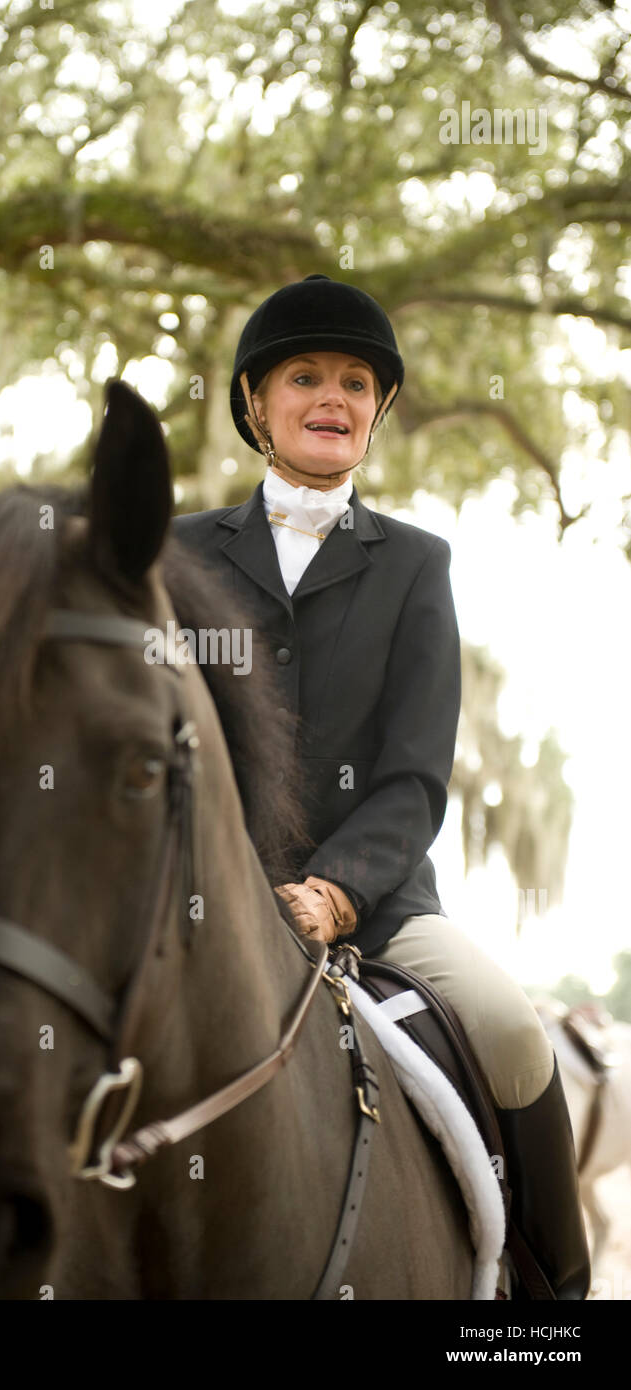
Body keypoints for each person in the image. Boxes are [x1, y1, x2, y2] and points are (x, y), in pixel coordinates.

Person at [172, 273, 590, 1300]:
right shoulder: (178, 552)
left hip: (377, 904)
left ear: (379, 408)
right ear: (254, 402)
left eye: (356, 382)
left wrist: (330, 891)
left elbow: (412, 776)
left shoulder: (415, 564)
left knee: (507, 1028)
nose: (332, 397)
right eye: (305, 376)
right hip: (205, 897)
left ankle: (551, 1298)